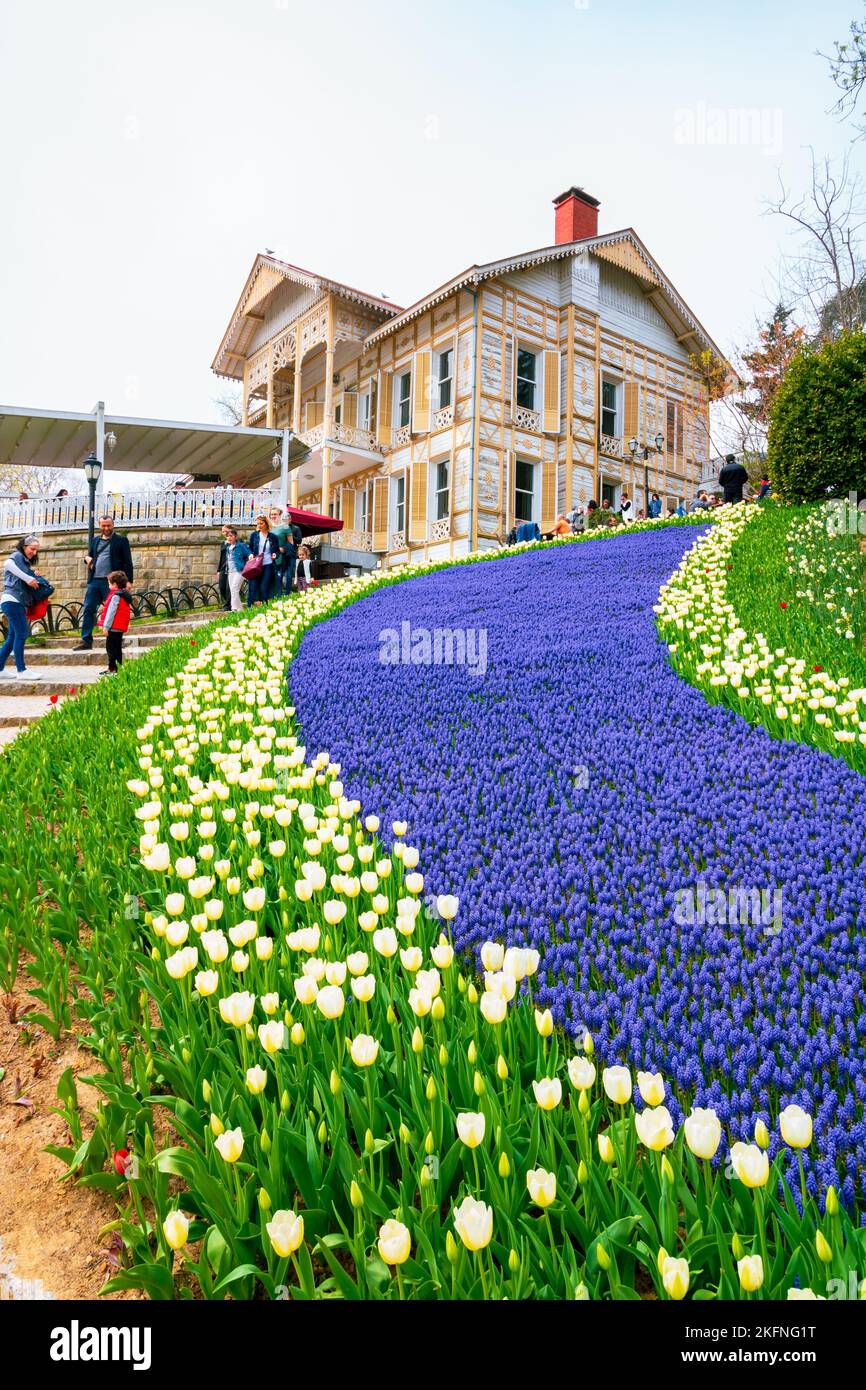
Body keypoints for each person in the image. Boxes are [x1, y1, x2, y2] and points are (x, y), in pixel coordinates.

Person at [75, 517, 134, 651]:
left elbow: (128, 562)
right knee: (88, 609)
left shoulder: (121, 541)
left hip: (112, 583)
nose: (106, 528)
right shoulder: (95, 540)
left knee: (115, 611)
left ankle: (116, 639)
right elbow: (89, 557)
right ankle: (86, 640)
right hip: (95, 580)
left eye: (108, 525)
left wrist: (129, 581)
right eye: (103, 526)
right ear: (99, 525)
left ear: (113, 525)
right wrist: (86, 559)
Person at [0, 536, 43, 681]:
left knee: (12, 637)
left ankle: (0, 669)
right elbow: (7, 564)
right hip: (13, 601)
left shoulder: (24, 561)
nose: (34, 553)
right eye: (32, 549)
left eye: (37, 550)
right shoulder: (17, 555)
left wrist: (32, 574)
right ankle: (22, 670)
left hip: (13, 601)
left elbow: (19, 576)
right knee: (22, 634)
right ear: (24, 546)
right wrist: (28, 578)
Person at [98, 570, 132, 676]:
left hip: (113, 626)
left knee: (111, 648)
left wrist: (106, 627)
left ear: (115, 584)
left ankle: (112, 668)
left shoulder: (116, 596)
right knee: (117, 647)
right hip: (120, 627)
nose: (108, 585)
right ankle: (118, 667)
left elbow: (111, 612)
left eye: (109, 583)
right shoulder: (125, 595)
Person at [247, 515, 279, 605]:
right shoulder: (254, 535)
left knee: (264, 587)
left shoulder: (273, 537)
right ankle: (250, 606)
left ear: (266, 524)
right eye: (258, 524)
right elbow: (249, 547)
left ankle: (265, 606)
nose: (259, 525)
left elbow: (276, 551)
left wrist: (275, 555)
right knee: (253, 586)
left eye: (261, 523)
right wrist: (250, 554)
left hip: (268, 564)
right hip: (256, 565)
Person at [268, 506, 297, 596]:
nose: (273, 516)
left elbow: (291, 542)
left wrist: (283, 548)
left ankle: (283, 595)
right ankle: (275, 595)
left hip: (283, 555)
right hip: (270, 554)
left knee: (281, 575)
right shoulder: (268, 527)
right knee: (273, 576)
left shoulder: (285, 527)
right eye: (271, 514)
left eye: (275, 514)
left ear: (280, 515)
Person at [224, 527, 251, 612]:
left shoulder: (240, 545)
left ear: (235, 537)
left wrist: (250, 556)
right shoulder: (228, 548)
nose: (229, 538)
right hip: (230, 571)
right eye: (228, 536)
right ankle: (240, 609)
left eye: (231, 536)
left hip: (239, 570)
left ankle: (234, 608)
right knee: (232, 590)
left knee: (235, 588)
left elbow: (248, 553)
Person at [217, 524, 232, 611]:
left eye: (225, 530)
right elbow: (221, 557)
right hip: (223, 567)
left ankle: (228, 605)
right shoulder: (223, 543)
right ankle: (228, 602)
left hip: (232, 567)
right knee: (222, 586)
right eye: (222, 531)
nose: (223, 533)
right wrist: (218, 570)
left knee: (229, 587)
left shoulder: (236, 541)